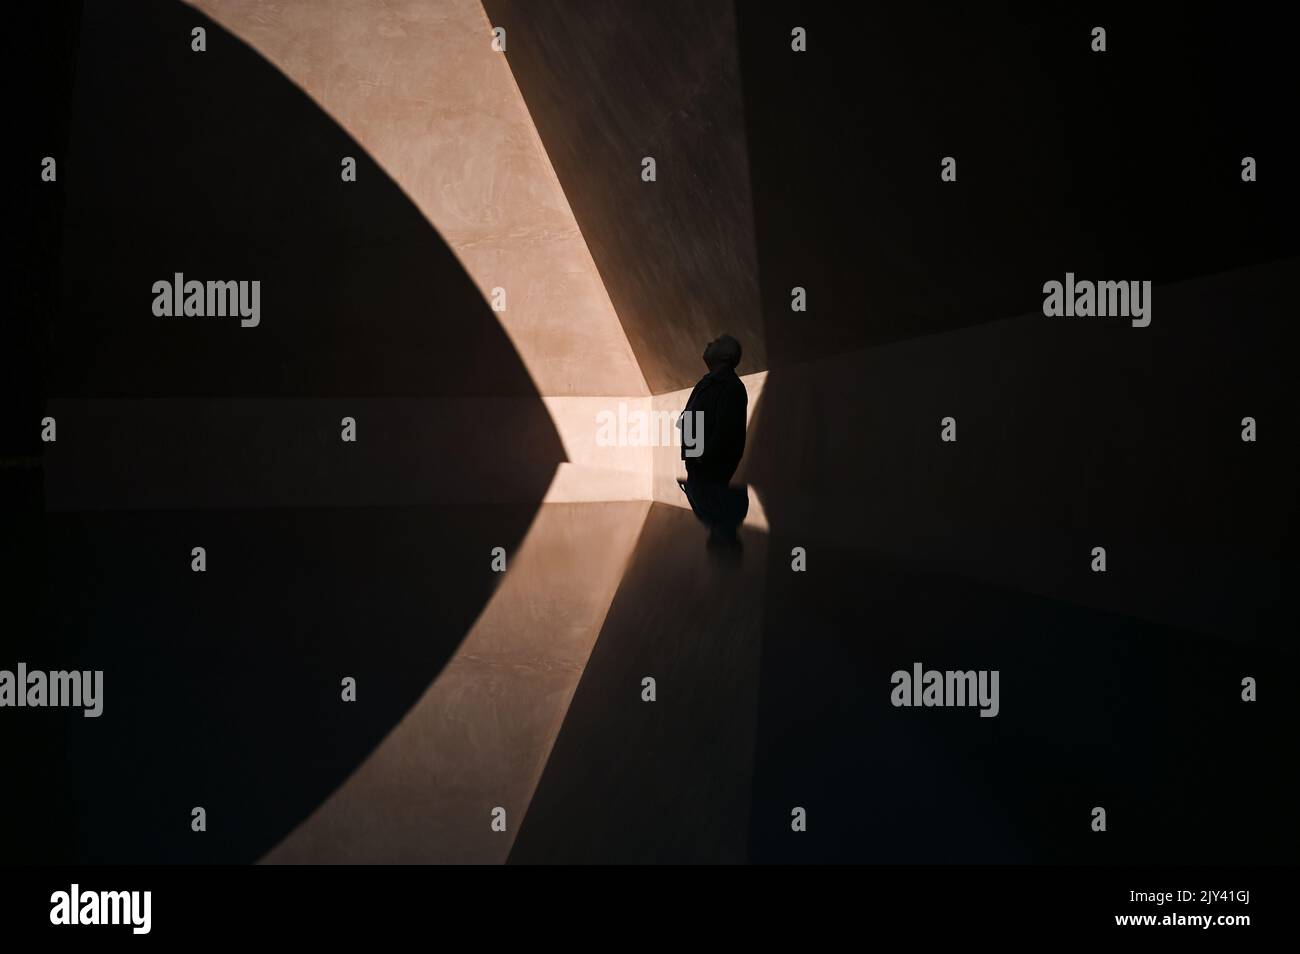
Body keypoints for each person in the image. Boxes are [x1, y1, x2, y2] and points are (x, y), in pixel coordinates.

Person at [679, 334, 747, 483]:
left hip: (709, 474)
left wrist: (701, 459)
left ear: (726, 356)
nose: (709, 343)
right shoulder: (707, 383)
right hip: (697, 470)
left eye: (717, 342)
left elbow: (725, 431)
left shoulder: (730, 386)